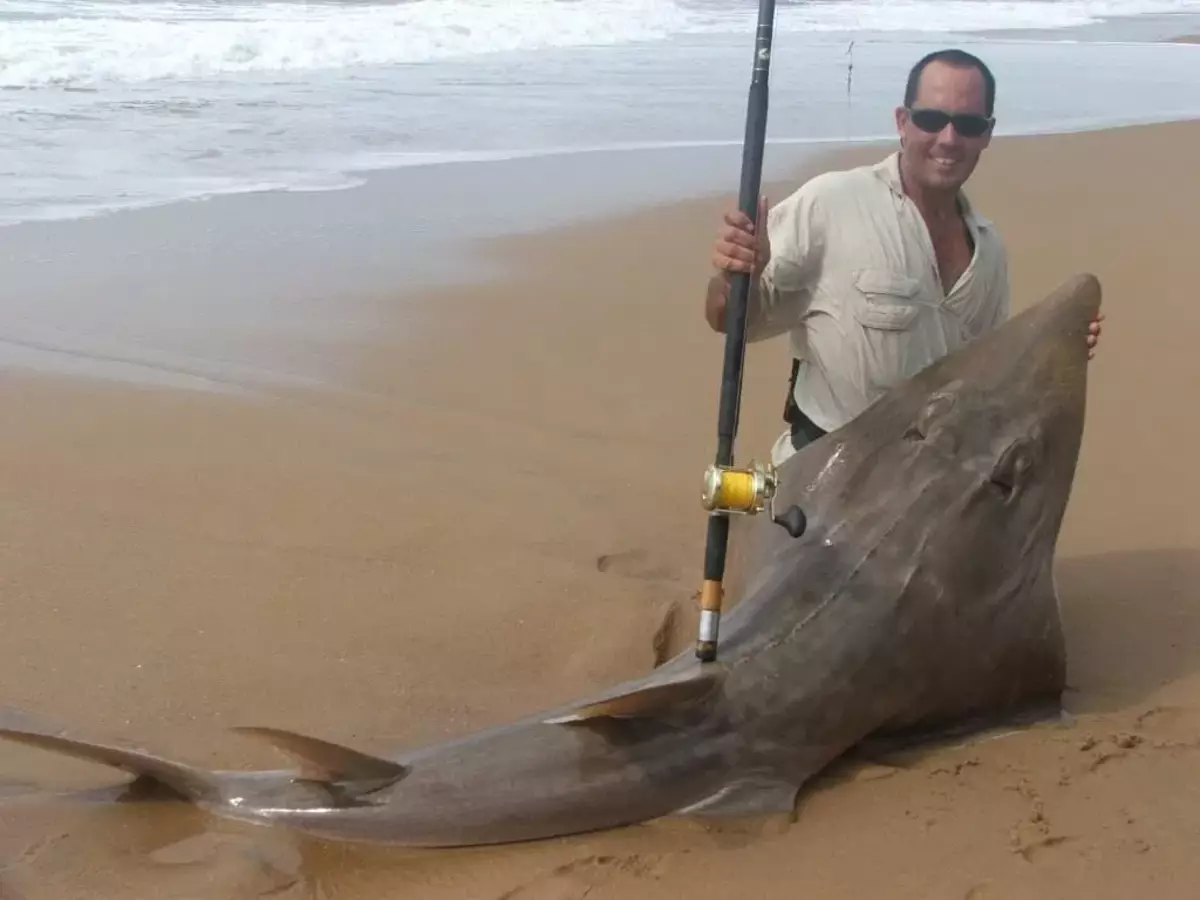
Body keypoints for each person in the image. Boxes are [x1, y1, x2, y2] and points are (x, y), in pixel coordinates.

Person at [704, 48, 1103, 466]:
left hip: (926, 489)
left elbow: (988, 381)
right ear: (902, 122)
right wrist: (736, 273)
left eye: (968, 124)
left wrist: (1055, 347)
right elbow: (730, 321)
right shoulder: (832, 202)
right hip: (822, 481)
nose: (949, 139)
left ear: (987, 134)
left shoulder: (989, 250)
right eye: (932, 120)